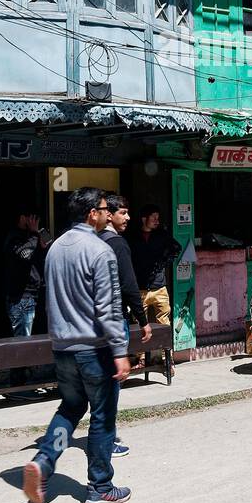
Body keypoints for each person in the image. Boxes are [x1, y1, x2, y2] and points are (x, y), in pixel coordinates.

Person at [22, 187, 131, 503]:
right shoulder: (99, 251)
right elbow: (109, 307)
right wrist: (120, 350)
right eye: (102, 209)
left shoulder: (54, 249)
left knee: (70, 408)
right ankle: (100, 486)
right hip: (94, 349)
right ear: (91, 214)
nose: (107, 213)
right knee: (102, 417)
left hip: (62, 348)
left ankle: (43, 462)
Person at [98, 192, 150, 457]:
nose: (128, 218)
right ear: (109, 214)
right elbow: (129, 285)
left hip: (93, 322)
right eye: (123, 213)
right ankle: (108, 439)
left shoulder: (93, 241)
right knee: (113, 381)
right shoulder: (116, 244)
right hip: (114, 319)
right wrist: (143, 321)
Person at [128, 205, 181, 335]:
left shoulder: (161, 234)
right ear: (144, 219)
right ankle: (141, 354)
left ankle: (165, 352)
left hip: (159, 287)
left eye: (158, 218)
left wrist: (163, 263)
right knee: (139, 323)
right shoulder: (132, 236)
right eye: (154, 218)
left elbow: (176, 248)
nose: (157, 221)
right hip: (140, 287)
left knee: (164, 321)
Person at [3, 206, 49, 338]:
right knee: (23, 341)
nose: (34, 221)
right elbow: (26, 254)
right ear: (23, 218)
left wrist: (40, 231)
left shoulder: (36, 233)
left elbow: (51, 244)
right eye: (32, 218)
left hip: (37, 294)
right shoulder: (14, 237)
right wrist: (35, 235)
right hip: (21, 297)